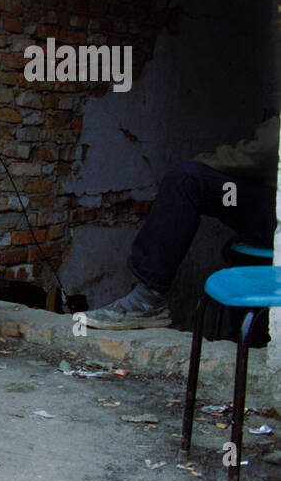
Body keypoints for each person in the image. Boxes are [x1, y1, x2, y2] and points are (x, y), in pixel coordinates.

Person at [89, 115, 278, 330]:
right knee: (192, 182)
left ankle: (147, 298)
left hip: (271, 210)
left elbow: (265, 150)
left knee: (187, 180)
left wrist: (206, 161)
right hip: (265, 208)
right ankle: (147, 298)